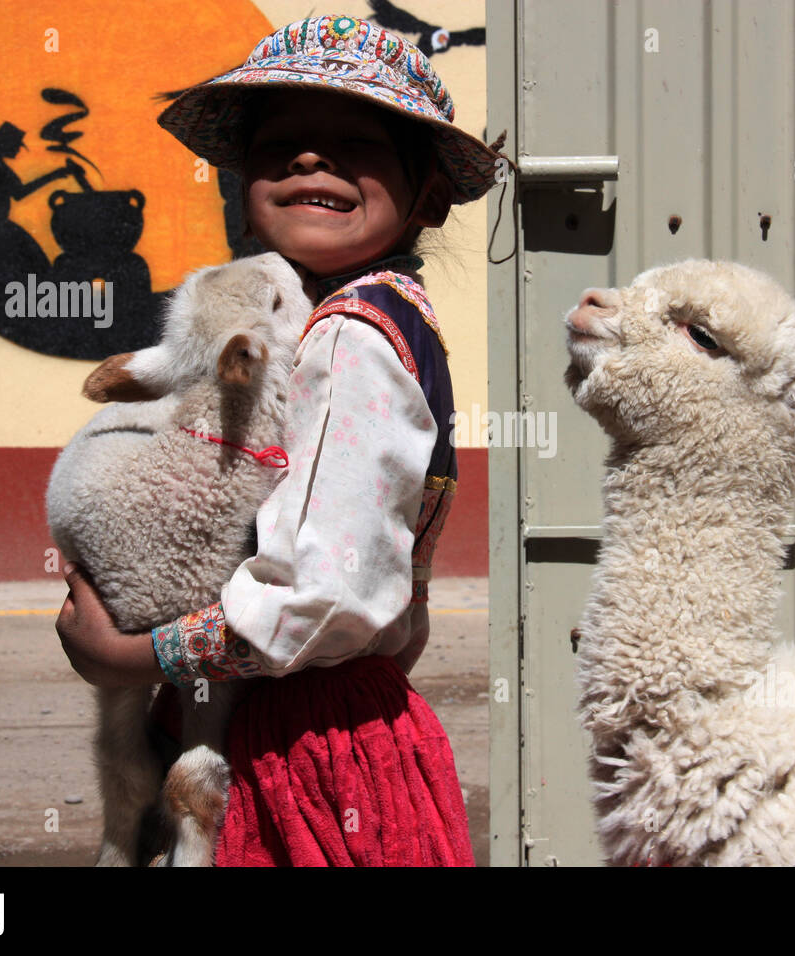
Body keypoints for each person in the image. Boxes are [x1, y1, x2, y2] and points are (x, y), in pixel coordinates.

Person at [54, 13, 505, 866]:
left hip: (294, 754)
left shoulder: (349, 340)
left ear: (428, 194)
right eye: (283, 143)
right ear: (243, 182)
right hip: (329, 723)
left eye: (353, 142)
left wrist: (132, 653)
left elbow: (326, 595)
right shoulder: (384, 322)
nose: (310, 159)